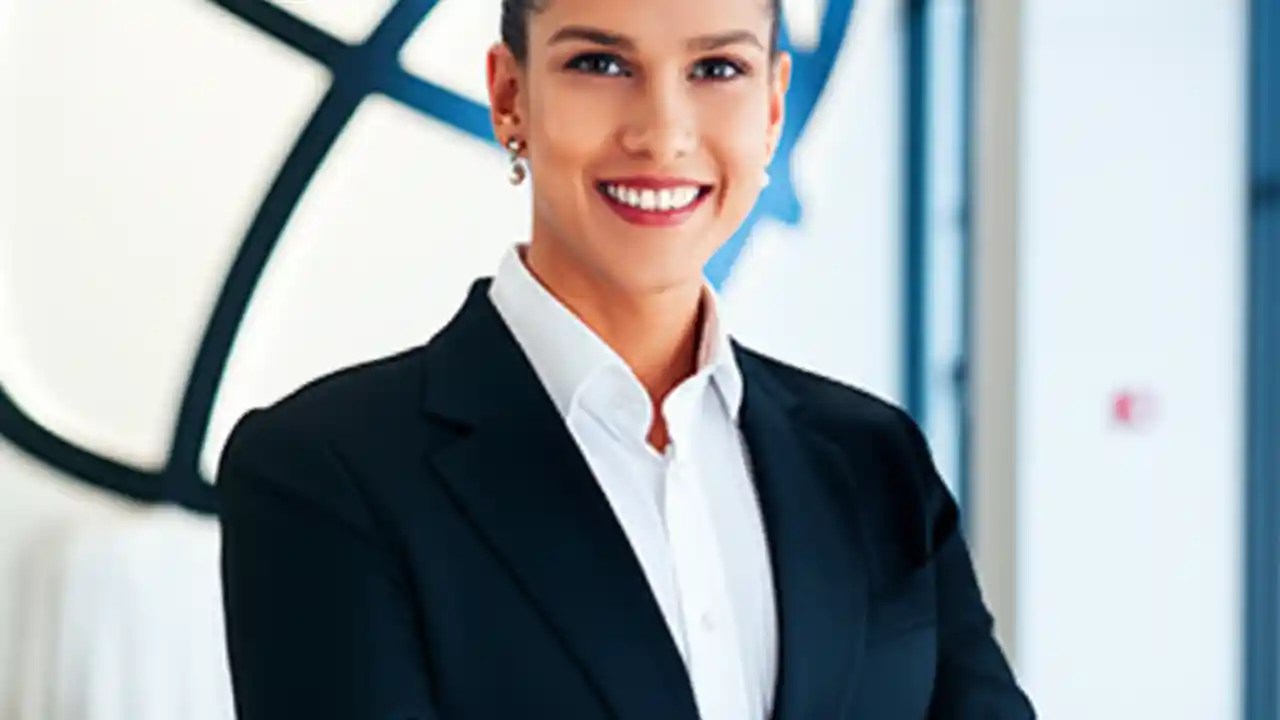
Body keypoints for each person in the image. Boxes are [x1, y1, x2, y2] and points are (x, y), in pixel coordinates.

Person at [216, 0, 1037, 717]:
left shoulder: (876, 463)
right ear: (510, 97)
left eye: (716, 68)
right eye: (601, 64)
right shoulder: (327, 473)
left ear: (773, 105)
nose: (662, 134)